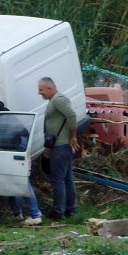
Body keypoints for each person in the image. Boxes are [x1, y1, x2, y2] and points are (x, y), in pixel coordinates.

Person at [38, 76, 79, 219]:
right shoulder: (54, 101)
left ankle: (57, 211)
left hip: (61, 147)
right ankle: (70, 209)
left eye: (41, 90)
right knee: (66, 179)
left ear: (50, 88)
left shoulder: (58, 100)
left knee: (58, 179)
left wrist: (73, 136)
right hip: (59, 146)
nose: (39, 93)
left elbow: (71, 115)